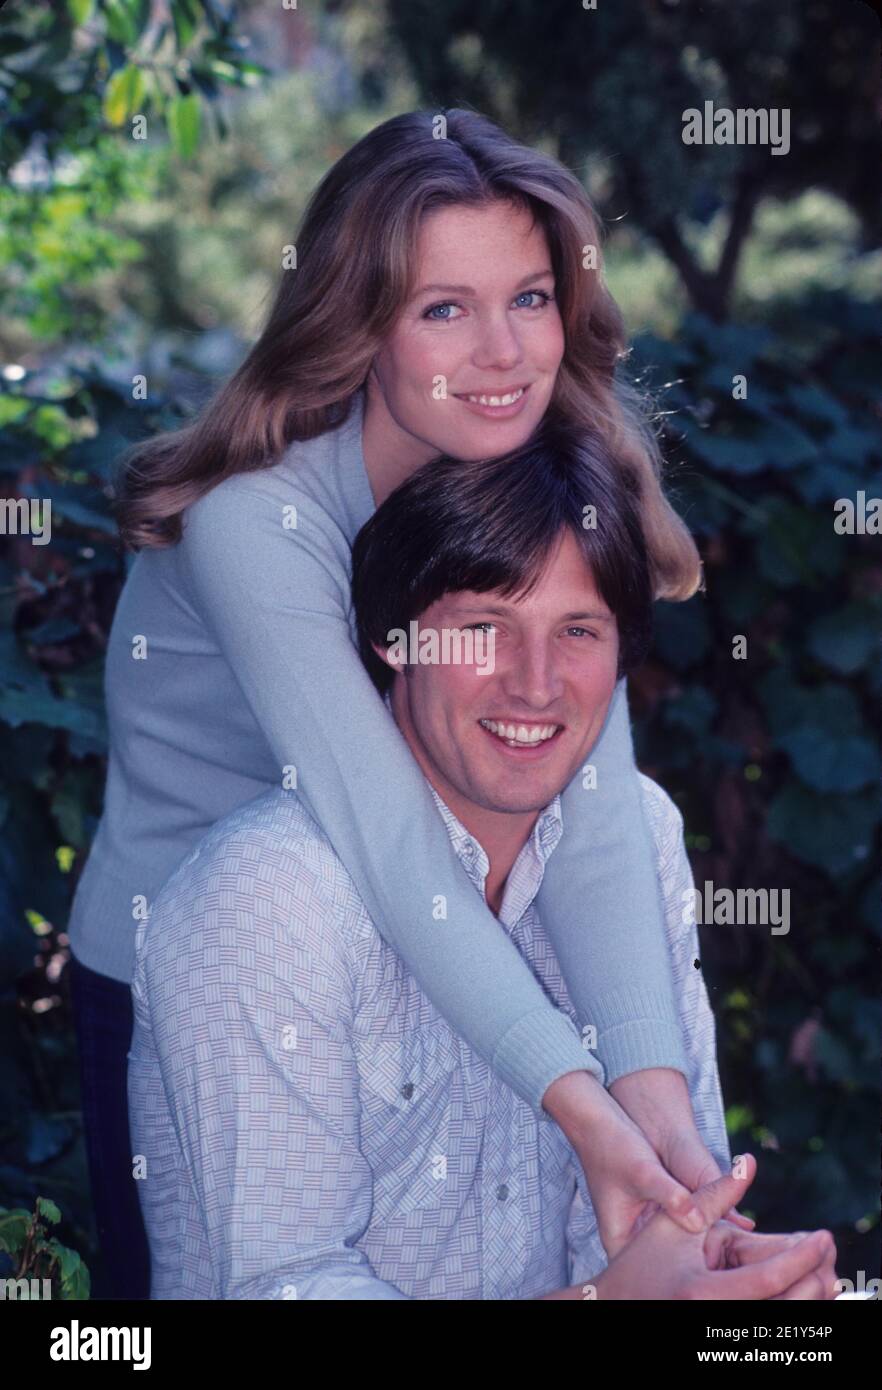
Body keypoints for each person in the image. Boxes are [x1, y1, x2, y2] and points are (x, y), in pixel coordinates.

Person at [73, 107, 711, 1299]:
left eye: (529, 296)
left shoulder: (541, 475)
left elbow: (598, 820)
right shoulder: (258, 521)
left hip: (430, 939)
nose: (504, 352)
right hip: (219, 963)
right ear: (358, 325)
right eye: (442, 309)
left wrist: (661, 1121)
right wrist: (582, 1106)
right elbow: (383, 835)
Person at [127, 422, 837, 1299]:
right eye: (484, 629)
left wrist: (737, 1291)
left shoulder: (638, 837)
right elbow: (286, 1285)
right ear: (390, 638)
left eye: (578, 630)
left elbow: (646, 1236)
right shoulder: (267, 898)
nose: (535, 684)